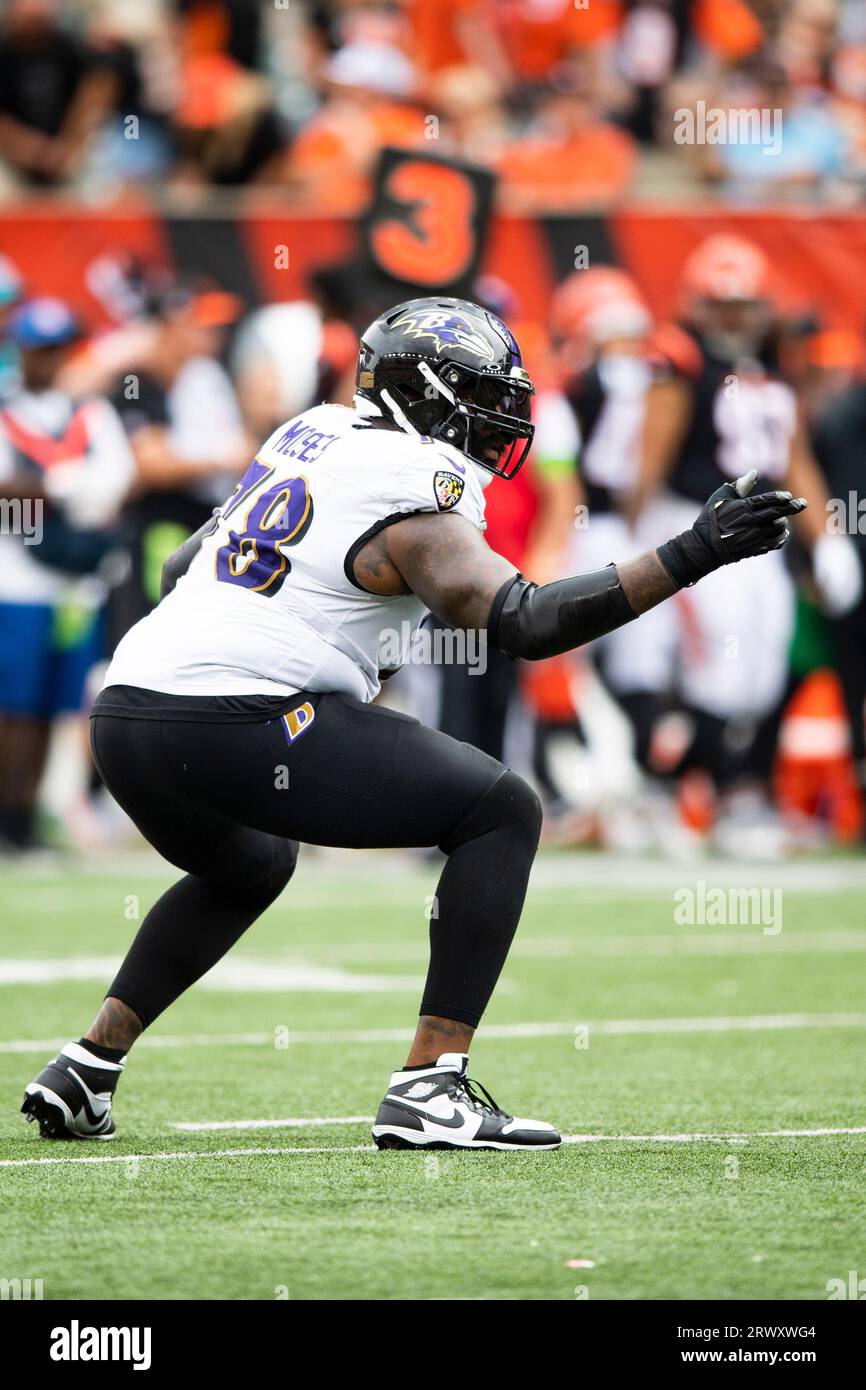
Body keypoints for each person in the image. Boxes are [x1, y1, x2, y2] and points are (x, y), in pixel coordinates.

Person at [21, 297, 804, 1150]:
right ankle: (431, 1086)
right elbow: (525, 621)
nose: (502, 415)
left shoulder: (311, 431)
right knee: (502, 809)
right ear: (424, 392)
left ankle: (89, 1064)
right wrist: (694, 551)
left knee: (252, 864)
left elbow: (182, 567)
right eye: (484, 394)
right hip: (240, 716)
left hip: (128, 712)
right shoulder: (417, 477)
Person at [0, 297, 134, 850]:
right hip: (15, 584)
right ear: (21, 352)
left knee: (59, 705)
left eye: (58, 349)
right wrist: (64, 488)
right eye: (40, 350)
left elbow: (116, 484)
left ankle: (31, 819)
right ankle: (10, 820)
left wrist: (46, 489)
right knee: (14, 707)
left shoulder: (90, 413)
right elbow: (9, 498)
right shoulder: (8, 413)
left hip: (78, 585)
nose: (50, 360)